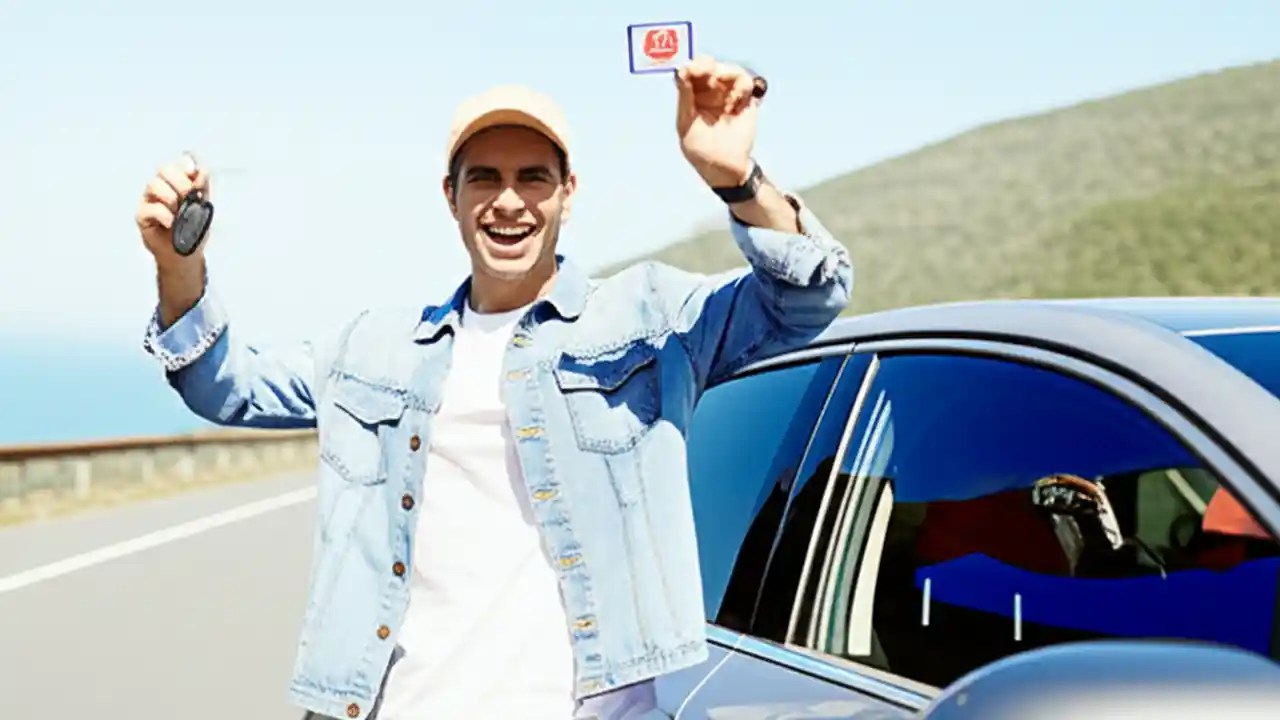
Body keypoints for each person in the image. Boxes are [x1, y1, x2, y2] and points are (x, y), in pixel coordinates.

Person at [134, 55, 853, 719]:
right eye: (484, 178)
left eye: (532, 177)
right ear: (450, 197)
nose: (508, 202)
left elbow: (805, 300)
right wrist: (178, 265)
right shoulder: (372, 349)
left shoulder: (649, 317)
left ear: (567, 194)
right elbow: (222, 386)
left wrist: (736, 176)